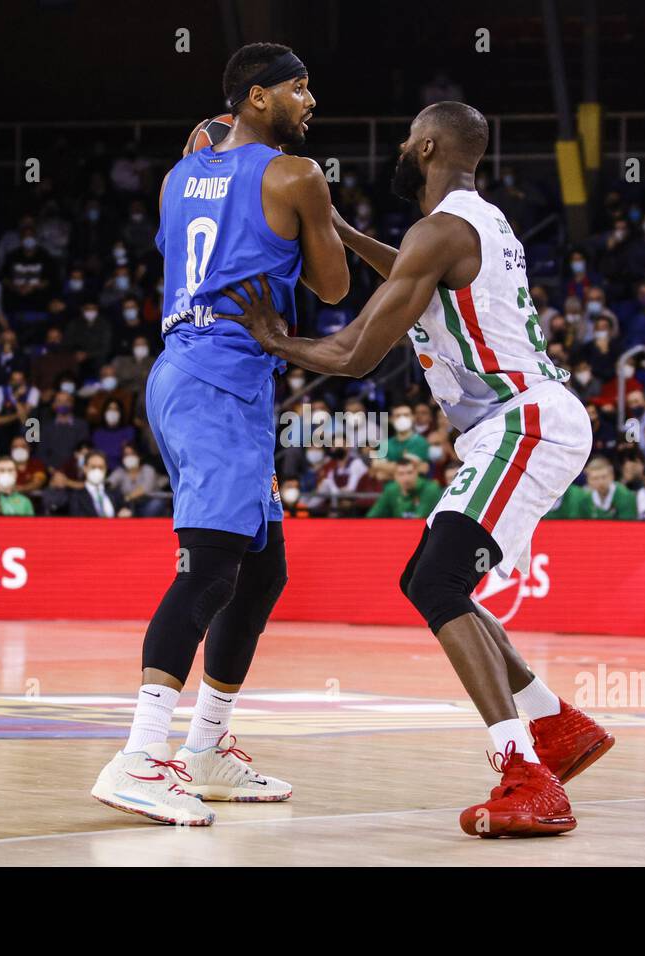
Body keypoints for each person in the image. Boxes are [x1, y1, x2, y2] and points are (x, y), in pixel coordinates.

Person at [227, 100, 613, 837]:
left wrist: (274, 340)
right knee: (429, 580)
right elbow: (413, 273)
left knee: (437, 581)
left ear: (428, 145)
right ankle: (554, 725)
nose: (401, 148)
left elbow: (352, 355)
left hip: (522, 421)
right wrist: (340, 232)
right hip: (526, 420)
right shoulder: (477, 221)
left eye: (407, 139)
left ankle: (527, 774)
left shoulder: (438, 230)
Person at [92, 42, 349, 826]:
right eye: (300, 87)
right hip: (223, 383)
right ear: (259, 97)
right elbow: (334, 286)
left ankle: (207, 749)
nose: (313, 100)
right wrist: (309, 222)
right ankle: (139, 756)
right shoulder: (298, 174)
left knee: (260, 571)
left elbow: (184, 252)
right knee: (208, 572)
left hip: (184, 375)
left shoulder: (175, 178)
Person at [366, 458, 442, 517]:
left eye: (409, 472)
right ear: (395, 476)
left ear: (416, 473)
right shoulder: (391, 490)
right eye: (401, 474)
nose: (406, 478)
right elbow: (372, 516)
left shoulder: (430, 489)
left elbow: (419, 519)